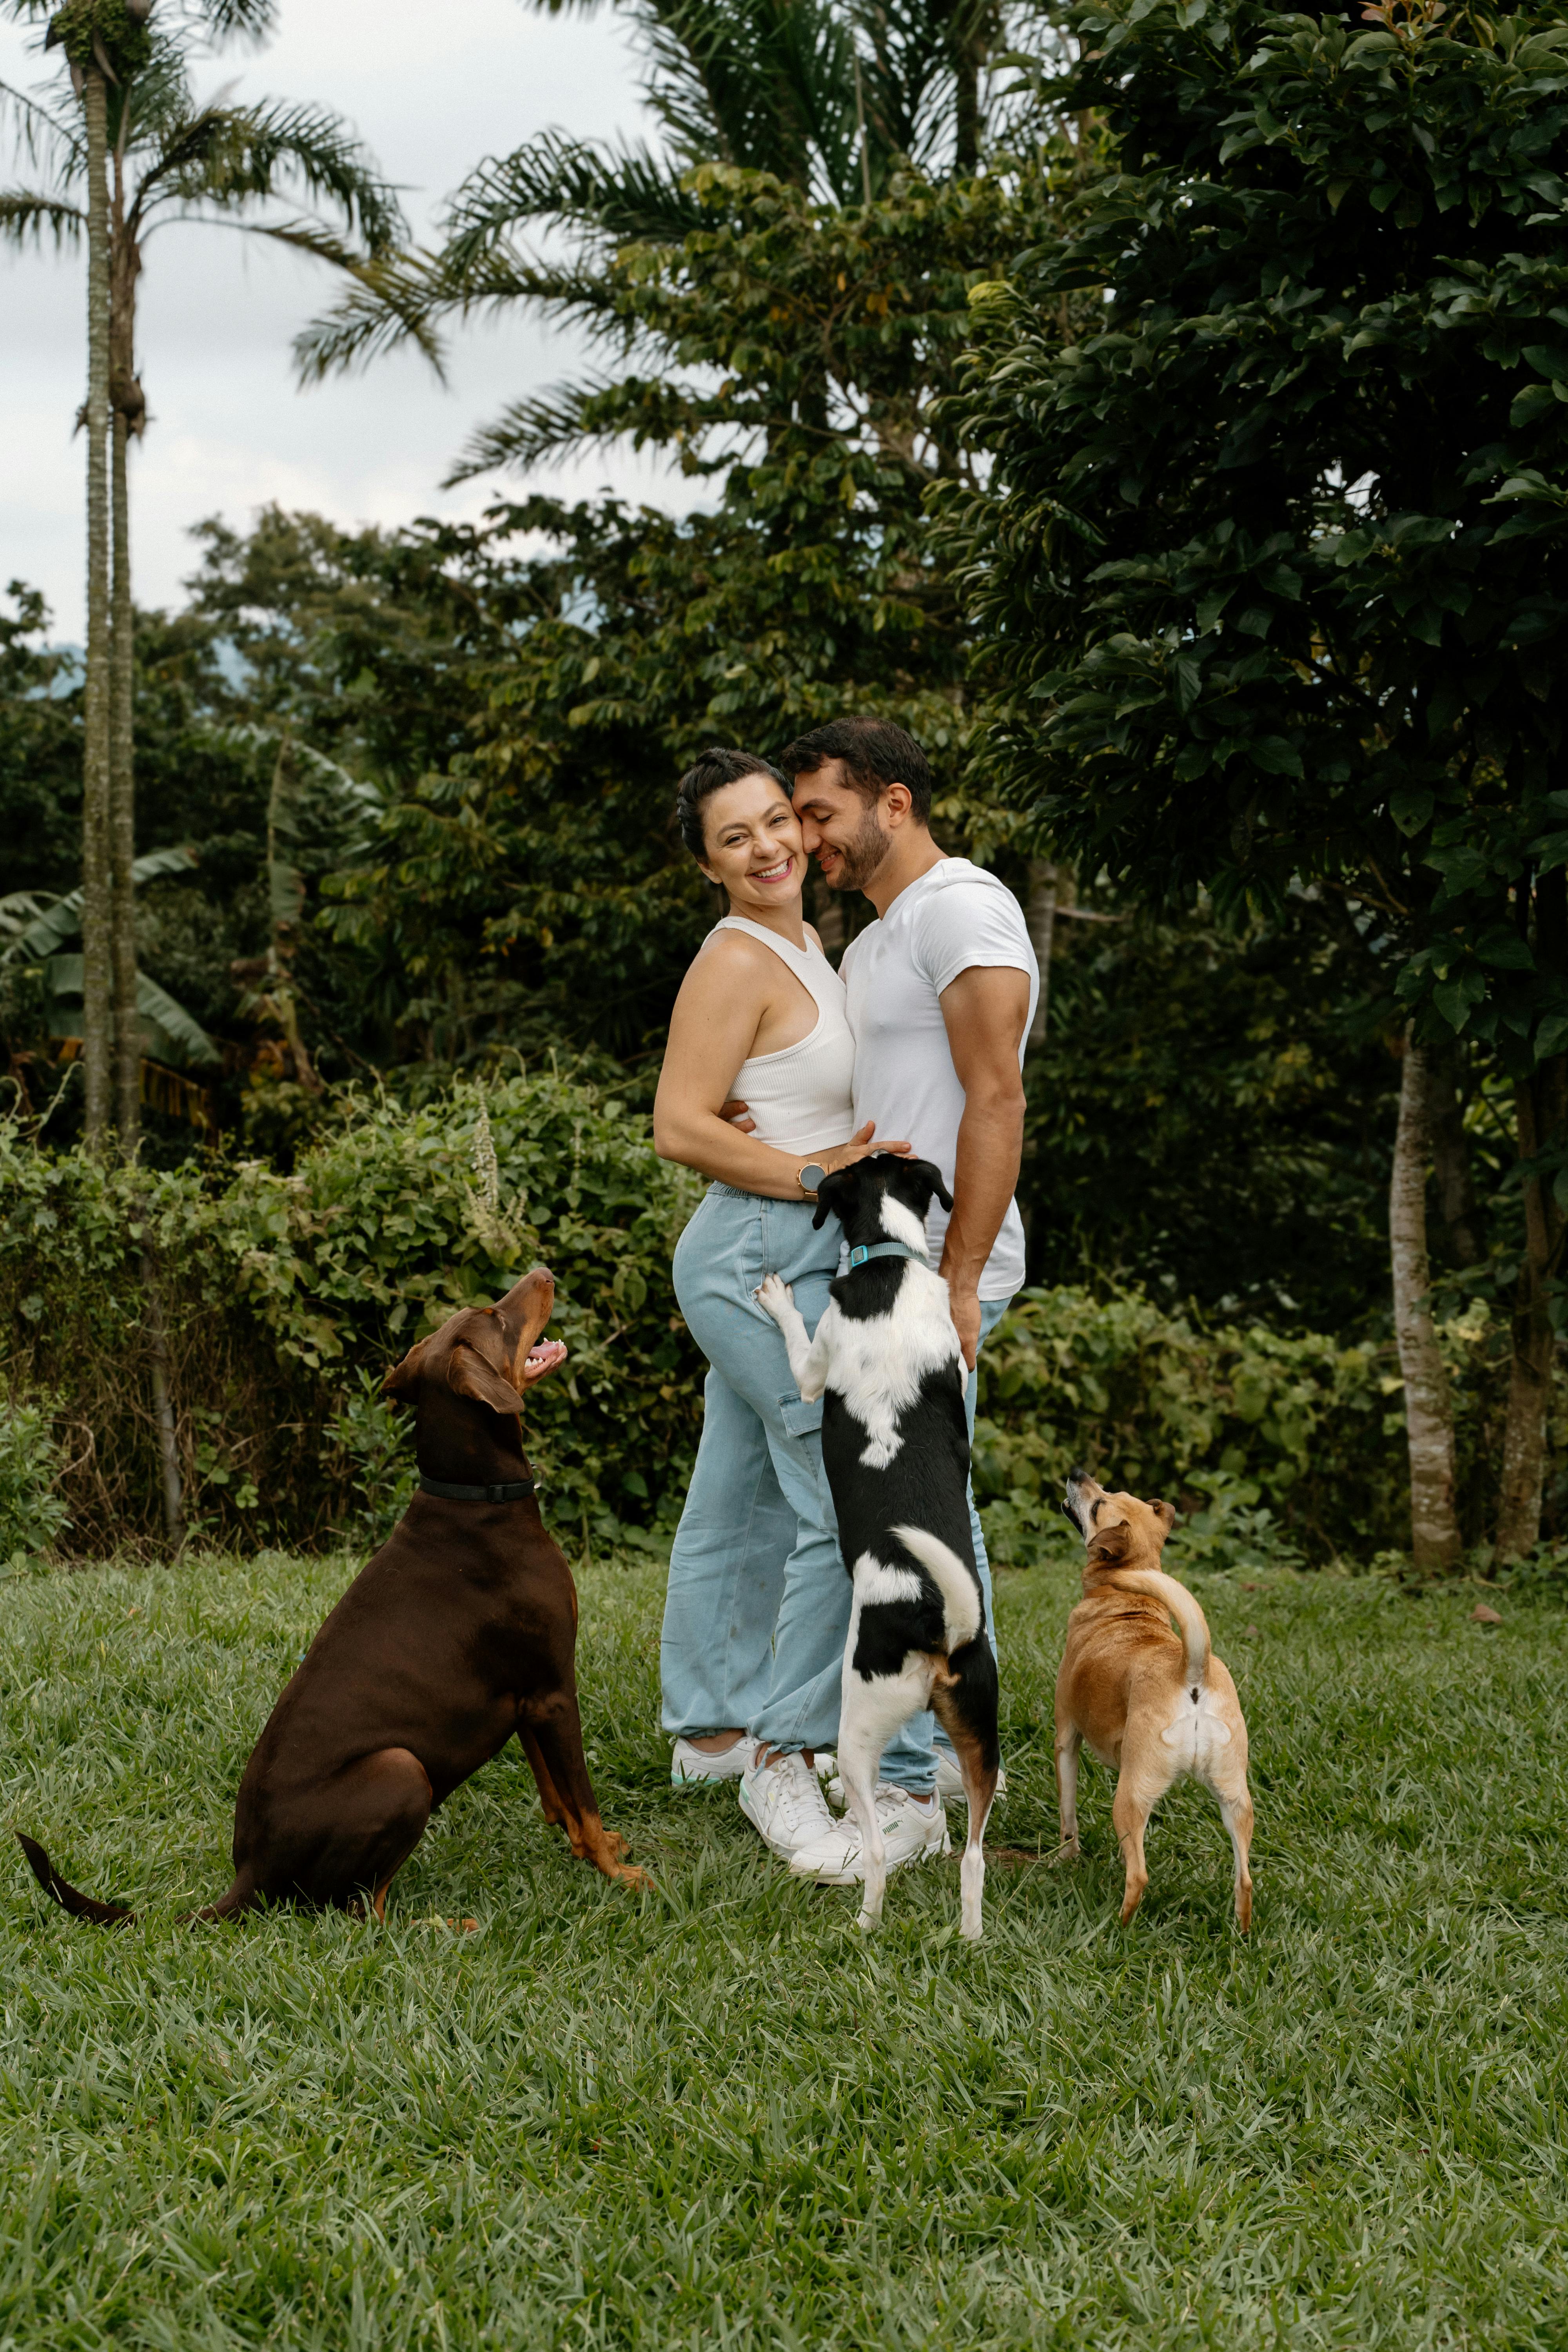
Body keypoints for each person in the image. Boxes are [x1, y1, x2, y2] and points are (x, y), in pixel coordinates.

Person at [721, 717, 1038, 1888]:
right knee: (932, 1511)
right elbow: (871, 1093)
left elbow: (994, 1096)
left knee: (917, 1515)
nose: (806, 839)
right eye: (794, 817)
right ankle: (950, 1757)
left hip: (940, 1276)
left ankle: (904, 1788)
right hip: (883, 1264)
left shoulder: (962, 909)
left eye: (819, 813)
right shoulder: (870, 945)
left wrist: (957, 1281)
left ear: (892, 803)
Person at [652, 746, 929, 1871]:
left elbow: (750, 1092)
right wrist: (822, 1171)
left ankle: (711, 1729)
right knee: (837, 1497)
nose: (770, 847)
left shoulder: (806, 944)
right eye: (738, 838)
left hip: (780, 1244)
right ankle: (785, 1755)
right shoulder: (733, 959)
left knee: (740, 1490)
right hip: (754, 1250)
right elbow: (678, 1125)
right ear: (710, 866)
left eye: (778, 822)